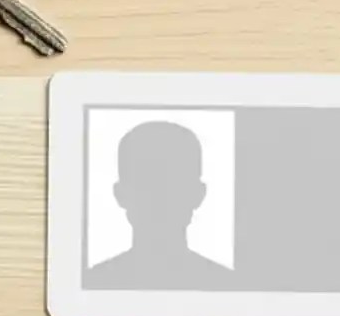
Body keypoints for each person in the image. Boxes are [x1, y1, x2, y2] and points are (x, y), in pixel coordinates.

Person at [85, 120, 233, 289]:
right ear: (121, 194)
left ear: (198, 194)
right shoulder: (94, 283)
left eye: (173, 183)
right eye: (147, 183)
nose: (159, 198)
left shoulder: (227, 286)